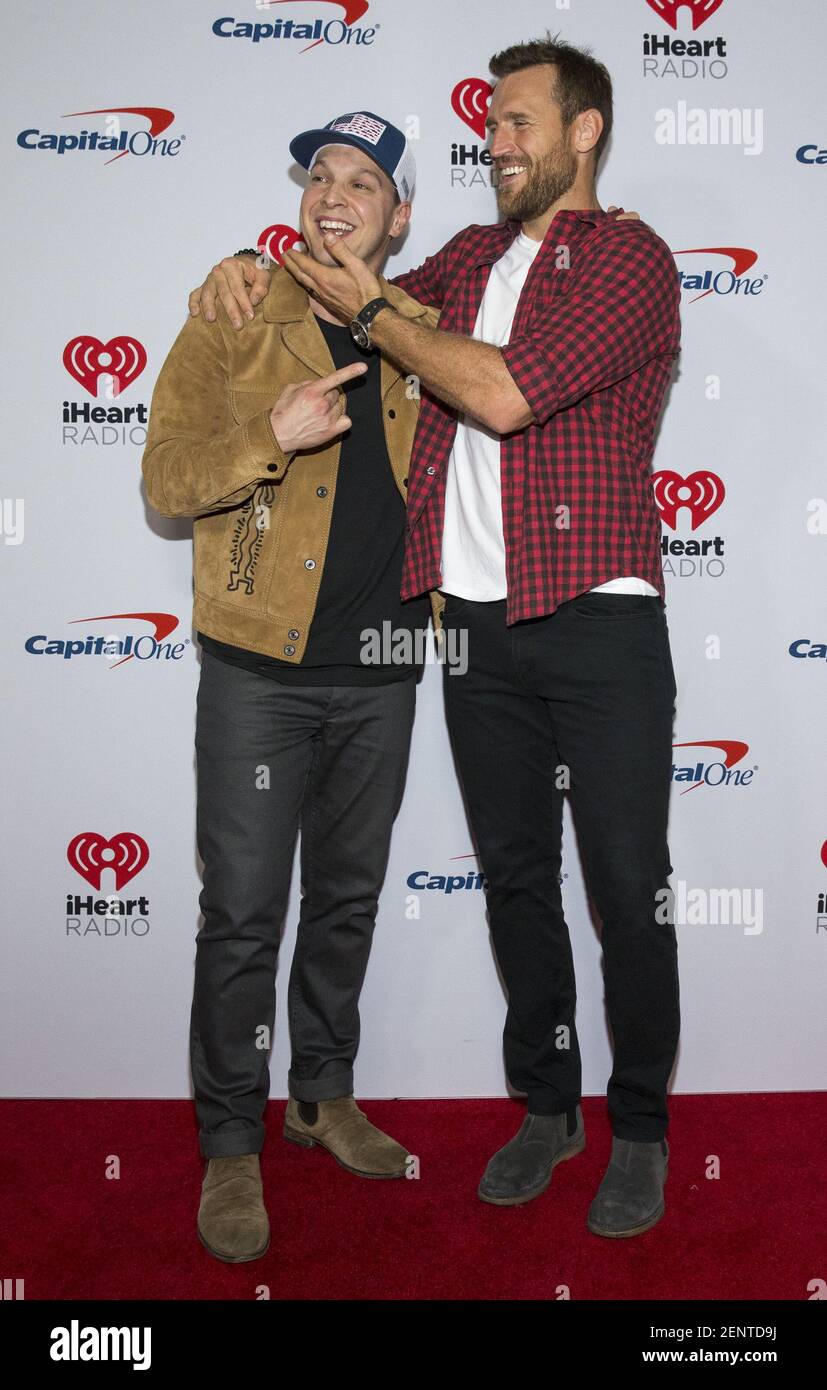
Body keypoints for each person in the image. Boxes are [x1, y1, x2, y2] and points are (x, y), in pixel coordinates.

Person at [189, 35, 679, 1240]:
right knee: (515, 883)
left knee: (626, 888)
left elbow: (502, 393)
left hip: (598, 617)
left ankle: (640, 1129)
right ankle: (547, 1107)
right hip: (470, 629)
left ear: (582, 132)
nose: (493, 142)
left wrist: (371, 308)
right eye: (488, 126)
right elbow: (345, 273)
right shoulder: (461, 256)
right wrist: (243, 266)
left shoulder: (628, 257)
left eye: (516, 122)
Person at [142, 112, 443, 1264]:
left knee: (347, 900)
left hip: (383, 669)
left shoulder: (420, 330)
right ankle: (230, 1141)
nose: (334, 194)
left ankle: (320, 1094)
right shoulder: (233, 311)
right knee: (241, 912)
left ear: (398, 217)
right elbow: (167, 482)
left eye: (363, 181)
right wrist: (268, 434)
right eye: (320, 173)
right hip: (258, 672)